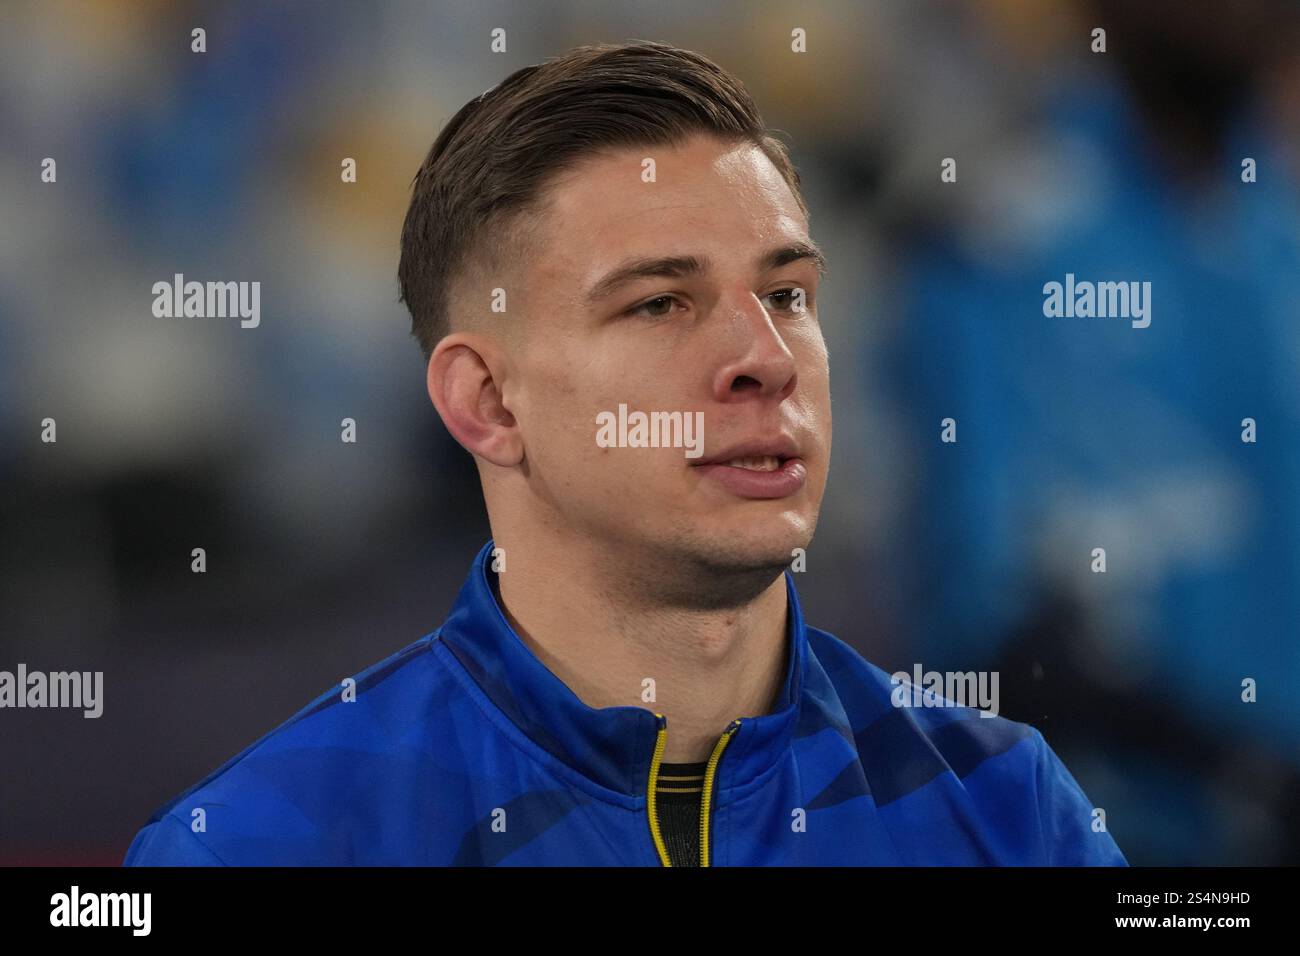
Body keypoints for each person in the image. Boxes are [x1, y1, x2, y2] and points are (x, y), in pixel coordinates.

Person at [123, 40, 1126, 866]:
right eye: (659, 304)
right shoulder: (258, 846)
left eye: (786, 295)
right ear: (487, 401)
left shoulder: (1011, 811)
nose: (766, 359)